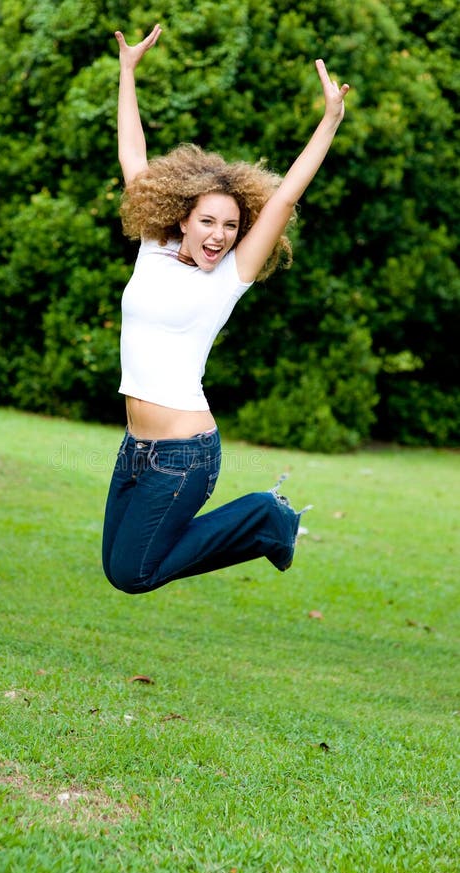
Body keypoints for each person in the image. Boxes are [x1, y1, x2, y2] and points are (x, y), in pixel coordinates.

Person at [102, 24, 349, 594]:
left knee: (136, 573)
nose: (218, 235)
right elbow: (132, 154)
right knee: (121, 569)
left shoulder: (229, 279)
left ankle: (266, 517)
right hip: (136, 447)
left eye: (231, 226)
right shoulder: (154, 249)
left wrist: (330, 120)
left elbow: (285, 194)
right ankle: (262, 523)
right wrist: (128, 74)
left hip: (185, 453)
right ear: (183, 219)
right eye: (208, 221)